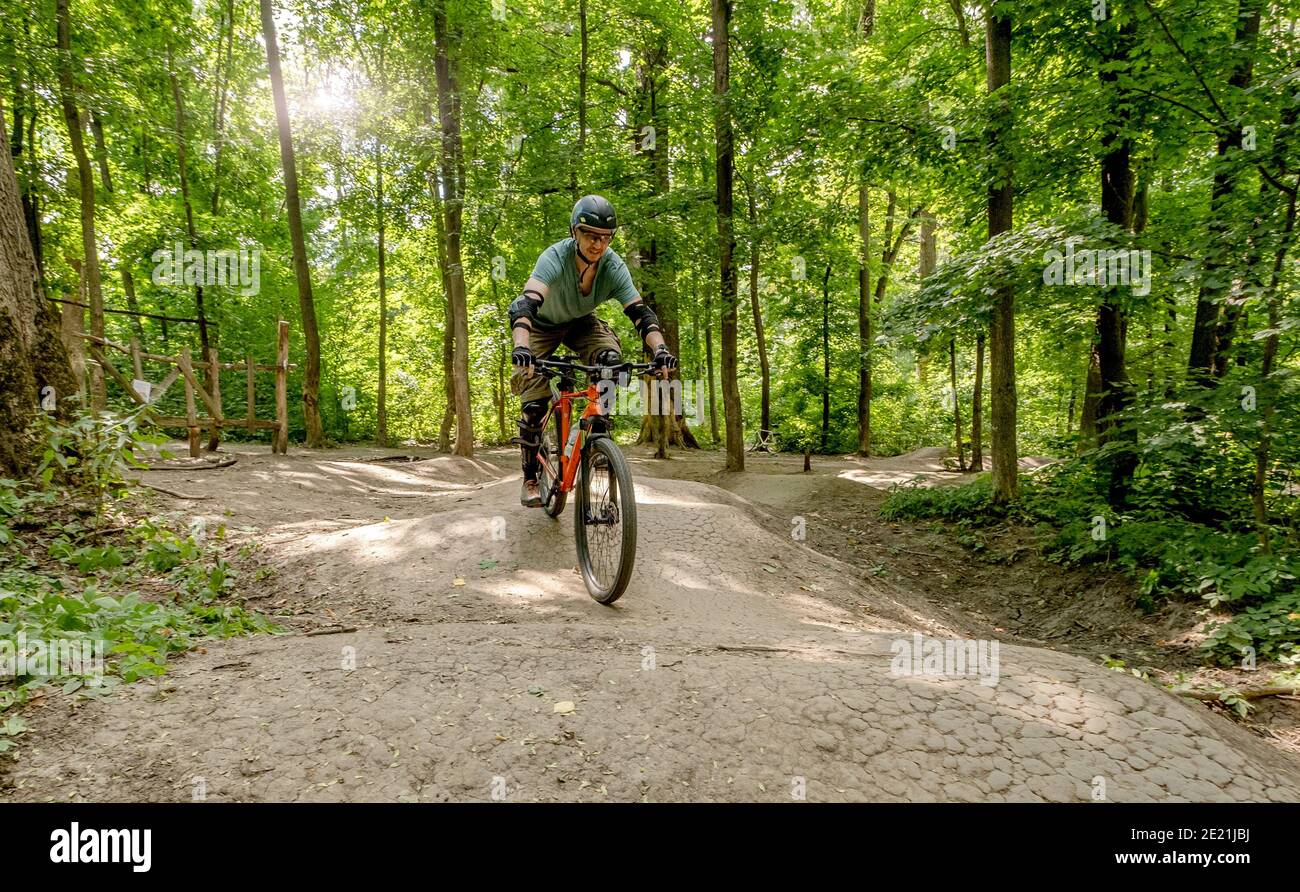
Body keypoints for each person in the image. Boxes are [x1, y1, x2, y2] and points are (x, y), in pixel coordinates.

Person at [510, 194, 677, 507]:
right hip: (540, 326)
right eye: (590, 235)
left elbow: (641, 314)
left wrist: (661, 350)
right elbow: (527, 303)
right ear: (575, 232)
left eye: (604, 238)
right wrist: (522, 346)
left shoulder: (612, 266)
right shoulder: (554, 258)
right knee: (533, 406)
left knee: (610, 362)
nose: (597, 245)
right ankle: (530, 478)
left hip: (580, 323)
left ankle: (598, 434)